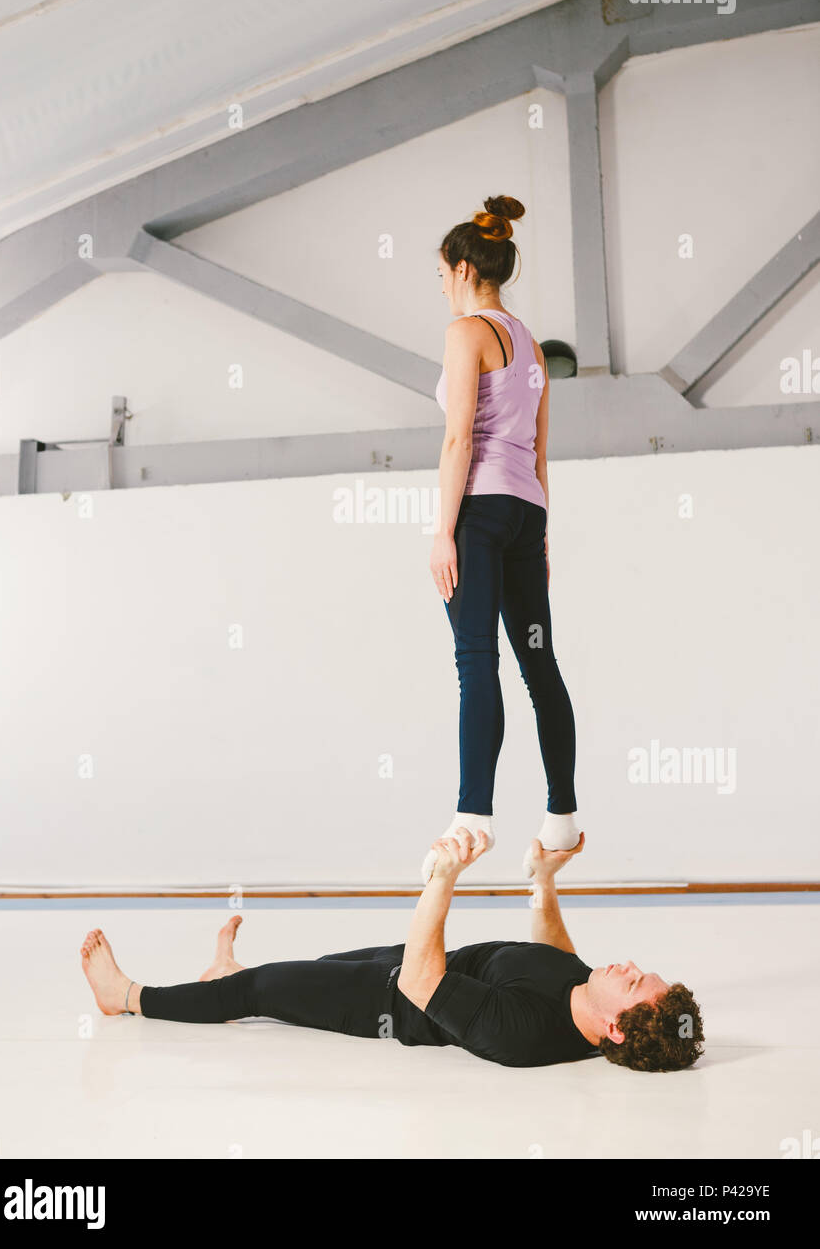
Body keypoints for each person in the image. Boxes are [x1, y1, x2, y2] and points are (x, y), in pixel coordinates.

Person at [80, 830, 703, 1072]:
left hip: (393, 993)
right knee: (301, 972)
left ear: (615, 1029)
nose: (626, 965)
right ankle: (230, 975)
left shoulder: (525, 1037)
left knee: (260, 991)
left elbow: (419, 982)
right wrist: (543, 880)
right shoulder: (581, 992)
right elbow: (555, 959)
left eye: (632, 981)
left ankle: (127, 997)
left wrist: (444, 877)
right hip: (422, 964)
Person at [427, 193, 578, 883]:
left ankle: (473, 817)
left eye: (440, 275)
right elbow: (542, 448)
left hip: (481, 512)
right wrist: (540, 534)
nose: (442, 289)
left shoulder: (468, 335)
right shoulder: (533, 346)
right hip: (526, 514)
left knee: (474, 660)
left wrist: (442, 532)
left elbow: (460, 436)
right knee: (539, 667)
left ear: (462, 268)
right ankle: (562, 816)